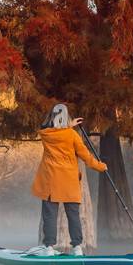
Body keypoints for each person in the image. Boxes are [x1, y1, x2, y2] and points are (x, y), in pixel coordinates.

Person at [26, 103, 107, 256]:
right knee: (73, 215)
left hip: (50, 181)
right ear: (66, 118)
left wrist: (68, 125)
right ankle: (77, 247)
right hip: (69, 181)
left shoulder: (46, 135)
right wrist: (101, 167)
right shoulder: (72, 135)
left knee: (50, 215)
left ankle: (49, 247)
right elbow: (87, 158)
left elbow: (52, 128)